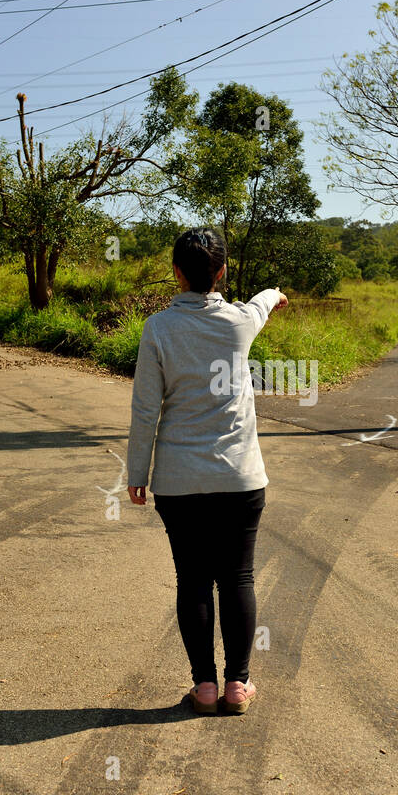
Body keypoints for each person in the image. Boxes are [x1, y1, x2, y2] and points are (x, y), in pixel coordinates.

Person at [126, 227, 287, 715]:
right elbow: (259, 305)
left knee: (192, 580)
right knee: (238, 578)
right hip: (240, 479)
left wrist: (137, 472)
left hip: (179, 482)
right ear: (222, 273)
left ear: (177, 273)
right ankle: (238, 685)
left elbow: (144, 410)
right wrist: (275, 292)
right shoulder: (239, 323)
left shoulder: (158, 329)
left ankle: (205, 687)